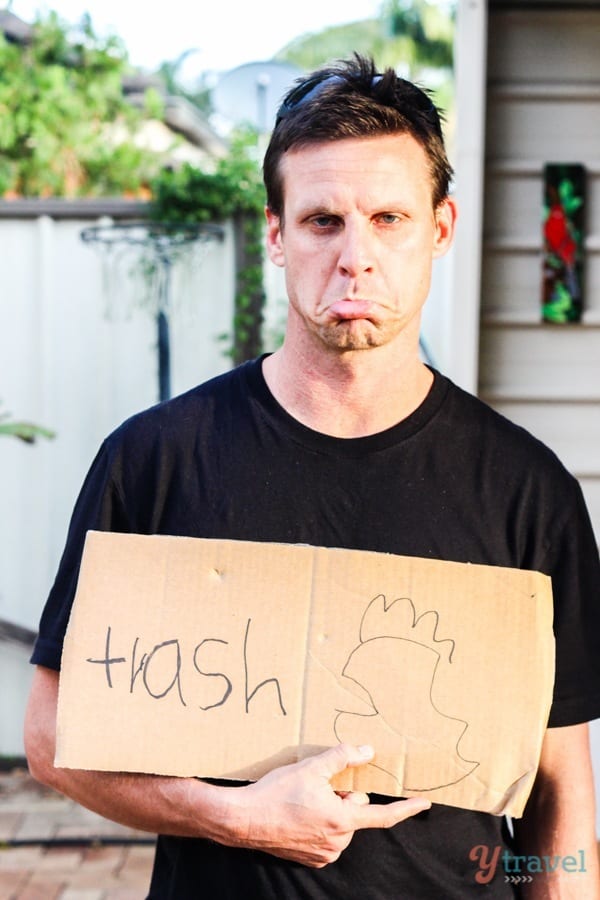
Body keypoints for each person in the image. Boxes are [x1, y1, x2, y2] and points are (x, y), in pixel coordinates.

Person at [25, 55, 600, 899]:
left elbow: (562, 802)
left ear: (440, 229)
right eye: (323, 220)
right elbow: (50, 739)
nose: (355, 256)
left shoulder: (526, 490)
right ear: (275, 234)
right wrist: (236, 817)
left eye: (389, 218)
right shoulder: (155, 460)